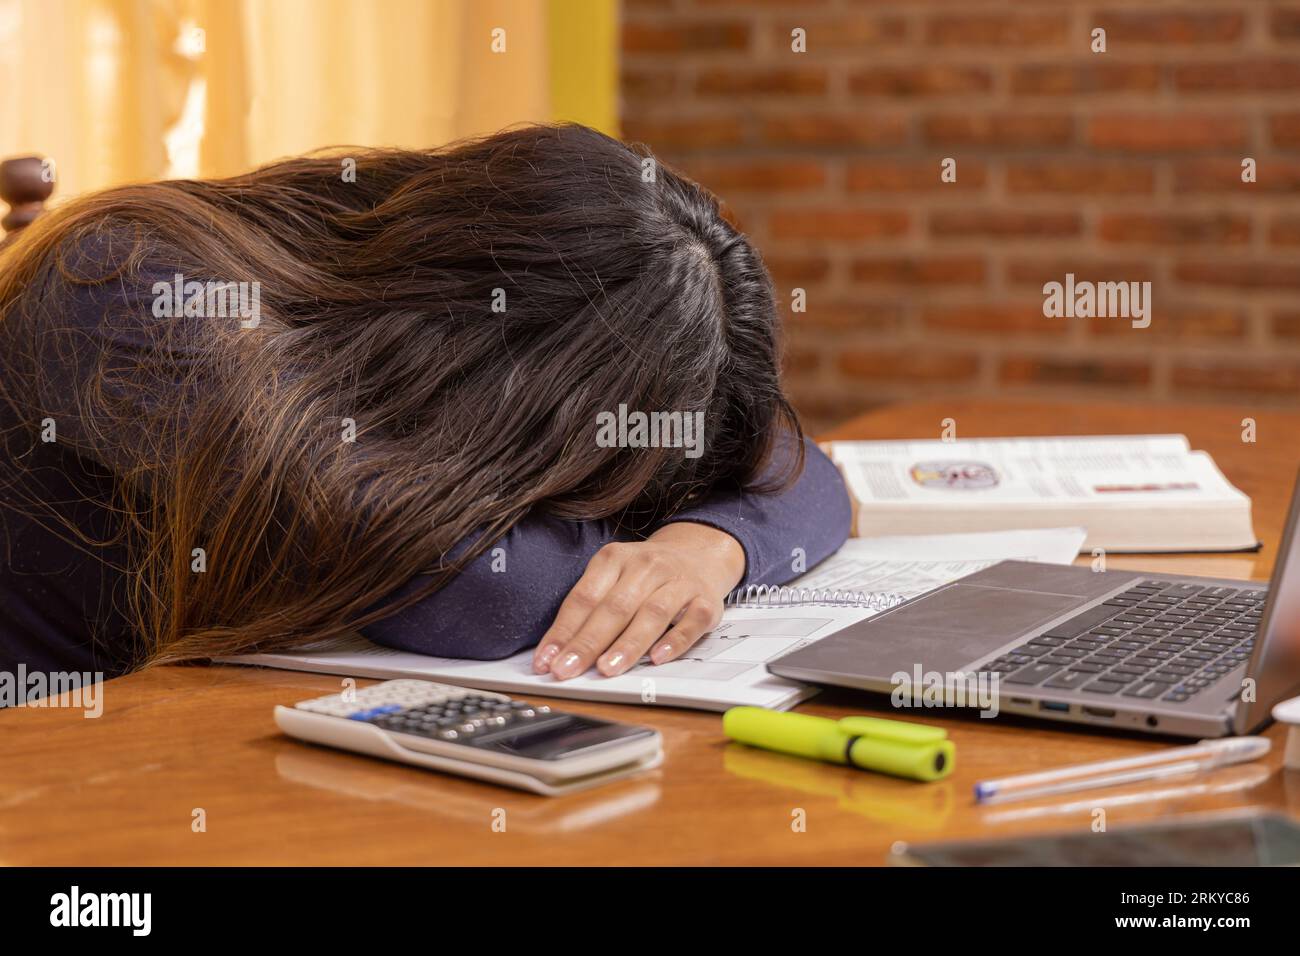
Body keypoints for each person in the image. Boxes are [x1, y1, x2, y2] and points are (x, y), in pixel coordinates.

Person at [0, 123, 850, 686]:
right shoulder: (133, 294)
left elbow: (798, 467)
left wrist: (706, 547)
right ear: (500, 370)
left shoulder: (394, 339)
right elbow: (475, 595)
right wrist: (636, 542)